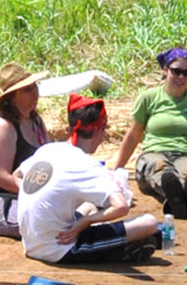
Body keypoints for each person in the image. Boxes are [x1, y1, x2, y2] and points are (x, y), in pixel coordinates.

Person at [19, 94, 170, 266]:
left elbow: (17, 175)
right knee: (149, 223)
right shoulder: (87, 165)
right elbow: (121, 207)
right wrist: (83, 223)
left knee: (90, 206)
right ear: (99, 130)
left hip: (30, 242)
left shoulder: (48, 149)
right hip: (61, 248)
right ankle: (127, 247)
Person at [114, 49, 187, 218]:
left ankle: (179, 200)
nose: (181, 77)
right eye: (176, 71)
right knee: (161, 171)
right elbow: (134, 135)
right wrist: (116, 169)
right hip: (154, 152)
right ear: (165, 70)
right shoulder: (149, 98)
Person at [0, 62, 51, 238]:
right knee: (39, 225)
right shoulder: (2, 127)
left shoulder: (36, 121)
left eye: (35, 86)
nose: (35, 93)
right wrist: (40, 193)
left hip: (25, 192)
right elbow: (2, 178)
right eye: (27, 90)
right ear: (12, 97)